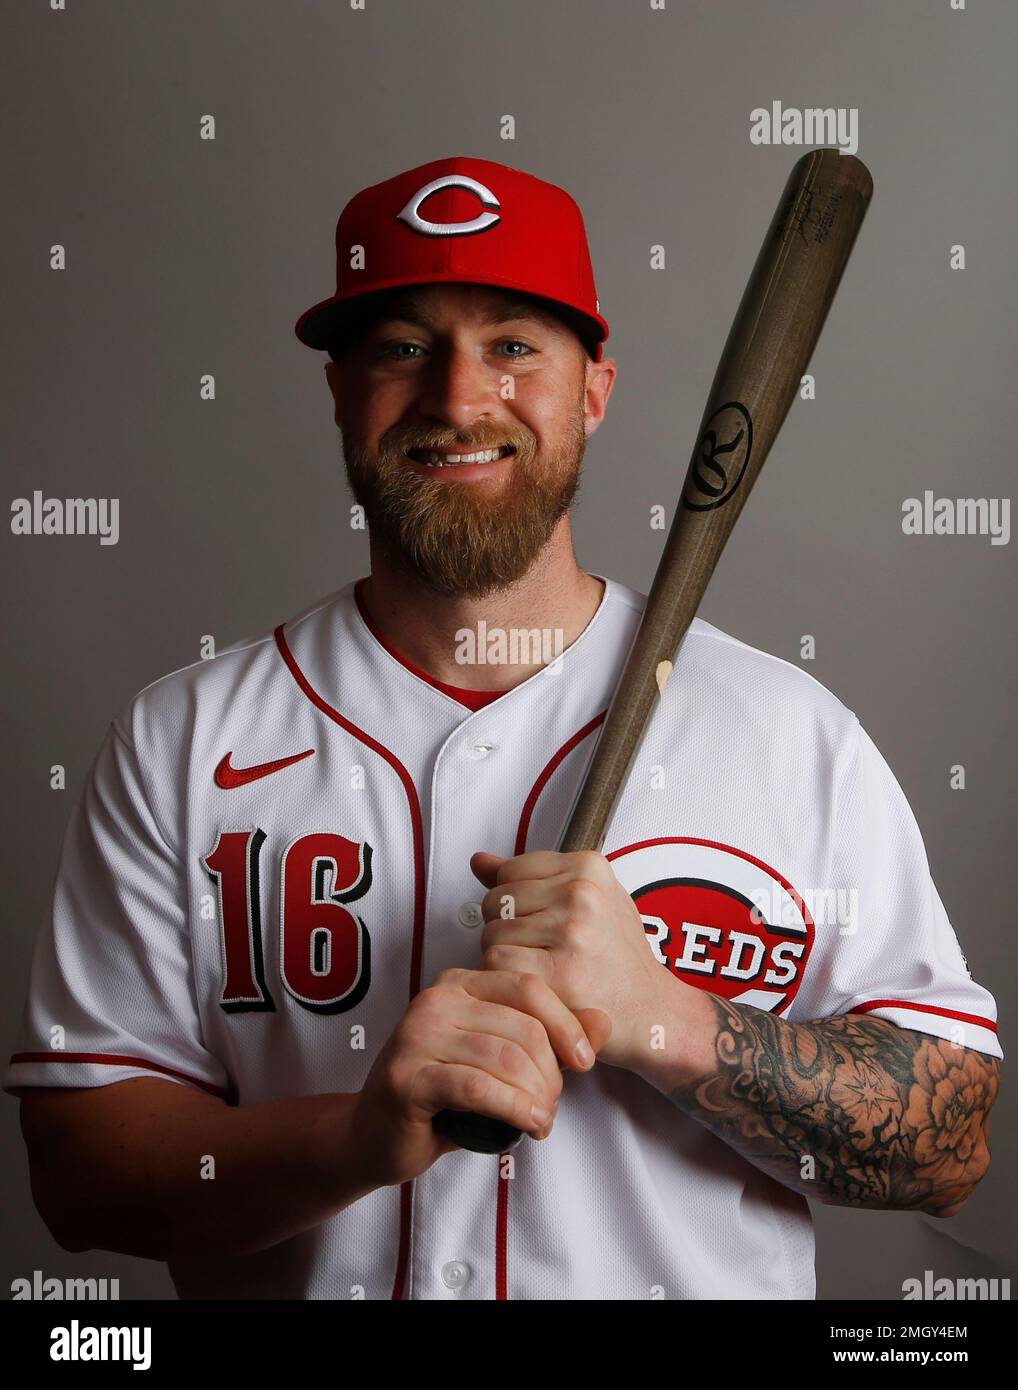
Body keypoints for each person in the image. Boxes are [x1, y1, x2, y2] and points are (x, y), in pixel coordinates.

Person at [5, 156, 1002, 1301]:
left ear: (594, 390)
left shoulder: (787, 734)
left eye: (514, 345)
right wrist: (357, 1140)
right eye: (403, 346)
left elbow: (950, 1145)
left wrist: (667, 1022)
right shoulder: (181, 742)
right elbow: (79, 1178)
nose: (458, 399)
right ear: (341, 391)